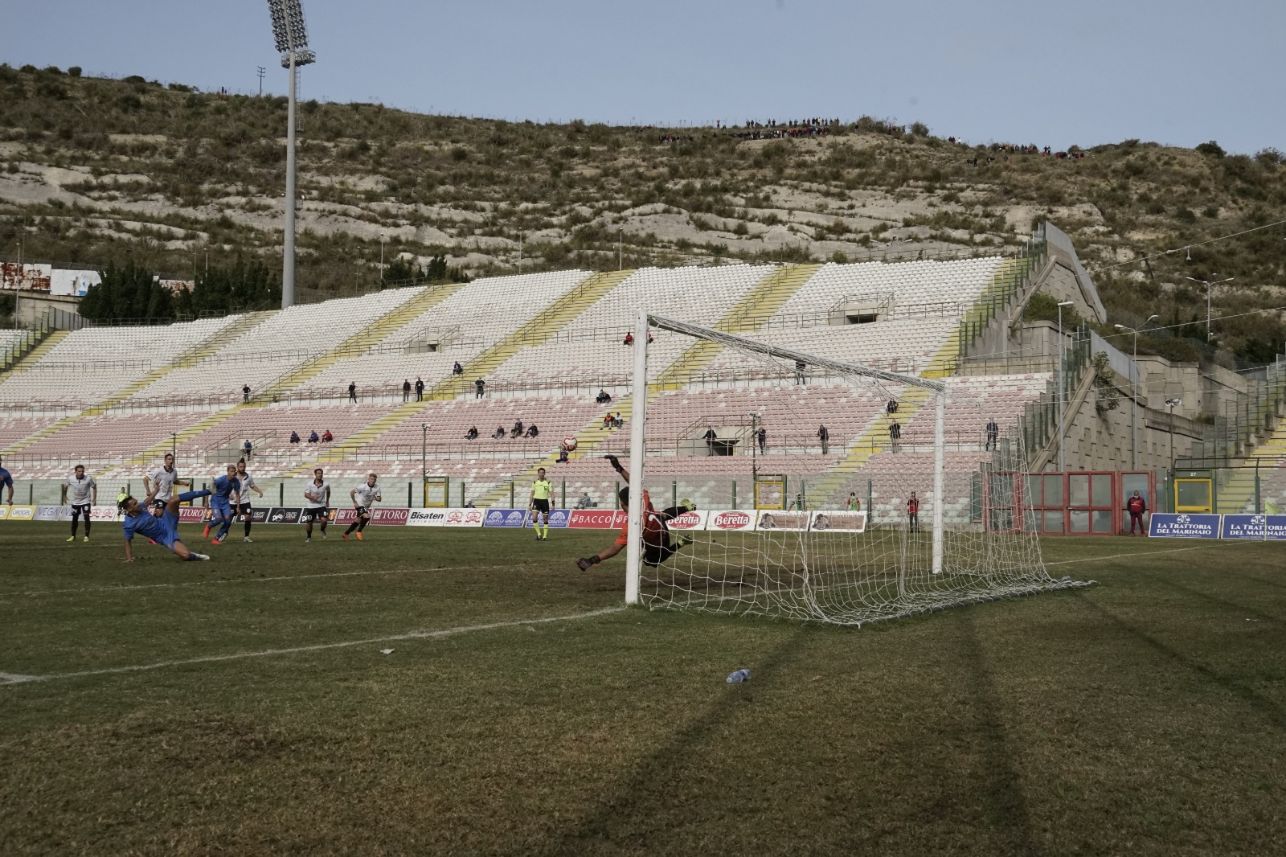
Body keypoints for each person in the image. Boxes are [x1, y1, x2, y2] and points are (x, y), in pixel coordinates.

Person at [577, 455, 694, 571]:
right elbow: (633, 482)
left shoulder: (631, 527)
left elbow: (615, 549)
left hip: (660, 543)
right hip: (660, 525)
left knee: (651, 562)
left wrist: (592, 560)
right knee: (661, 515)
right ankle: (687, 507)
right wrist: (619, 468)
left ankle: (681, 542)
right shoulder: (644, 499)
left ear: (623, 504)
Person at [120, 488, 212, 563]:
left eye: (136, 502)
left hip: (166, 520)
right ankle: (194, 555)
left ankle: (209, 490)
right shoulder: (129, 524)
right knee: (186, 555)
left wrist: (156, 490)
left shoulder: (141, 506)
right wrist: (129, 558)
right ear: (129, 509)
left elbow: (147, 501)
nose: (138, 504)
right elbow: (127, 541)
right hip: (164, 537)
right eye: (135, 504)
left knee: (173, 500)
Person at [201, 464, 241, 545]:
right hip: (215, 501)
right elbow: (209, 488)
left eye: (234, 471)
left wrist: (238, 507)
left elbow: (237, 494)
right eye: (231, 471)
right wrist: (206, 501)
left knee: (228, 521)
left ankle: (216, 539)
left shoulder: (236, 481)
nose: (233, 473)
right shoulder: (221, 480)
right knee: (218, 519)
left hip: (225, 502)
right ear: (227, 472)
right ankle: (209, 526)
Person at [144, 453, 190, 518]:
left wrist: (184, 483)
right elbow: (145, 479)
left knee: (165, 516)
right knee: (160, 513)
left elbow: (175, 481)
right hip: (158, 497)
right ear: (165, 461)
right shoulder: (159, 471)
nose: (171, 461)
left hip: (168, 499)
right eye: (169, 459)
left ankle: (153, 524)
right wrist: (148, 491)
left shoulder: (174, 472)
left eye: (172, 459)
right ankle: (151, 525)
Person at [61, 464, 97, 542]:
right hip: (75, 502)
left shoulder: (88, 478)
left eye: (82, 471)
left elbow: (94, 487)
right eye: (79, 471)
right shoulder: (71, 478)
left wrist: (94, 499)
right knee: (74, 519)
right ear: (75, 472)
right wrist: (64, 496)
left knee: (86, 517)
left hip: (86, 501)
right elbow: (65, 486)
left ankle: (86, 536)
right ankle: (73, 536)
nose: (81, 472)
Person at [344, 473, 382, 541]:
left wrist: (376, 498)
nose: (372, 481)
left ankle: (346, 534)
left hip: (366, 506)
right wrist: (354, 502)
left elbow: (379, 499)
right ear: (369, 479)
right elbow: (352, 492)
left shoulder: (377, 488)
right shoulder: (362, 486)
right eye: (371, 479)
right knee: (367, 516)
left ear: (376, 480)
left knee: (357, 521)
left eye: (374, 479)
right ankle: (359, 532)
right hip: (359, 504)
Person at [234, 458, 263, 543]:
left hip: (245, 500)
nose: (242, 468)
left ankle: (246, 537)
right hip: (233, 501)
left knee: (248, 516)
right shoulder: (233, 476)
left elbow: (252, 486)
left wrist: (260, 491)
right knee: (228, 518)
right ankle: (222, 534)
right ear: (237, 467)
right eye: (240, 466)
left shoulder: (248, 476)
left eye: (243, 466)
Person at [303, 468, 331, 543]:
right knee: (309, 522)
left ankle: (322, 530)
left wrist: (327, 501)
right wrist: (312, 497)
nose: (320, 474)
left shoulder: (326, 484)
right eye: (318, 473)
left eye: (321, 473)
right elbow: (305, 494)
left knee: (324, 520)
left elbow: (328, 492)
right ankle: (309, 537)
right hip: (311, 506)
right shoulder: (309, 484)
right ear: (315, 474)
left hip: (321, 505)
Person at [529, 467, 553, 541]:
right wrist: (529, 504)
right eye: (540, 472)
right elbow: (532, 494)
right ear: (538, 473)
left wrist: (553, 503)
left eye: (543, 473)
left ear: (544, 474)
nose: (541, 474)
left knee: (545, 519)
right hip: (536, 501)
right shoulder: (534, 482)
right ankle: (539, 534)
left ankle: (545, 536)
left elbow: (552, 493)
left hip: (544, 501)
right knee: (534, 518)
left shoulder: (548, 482)